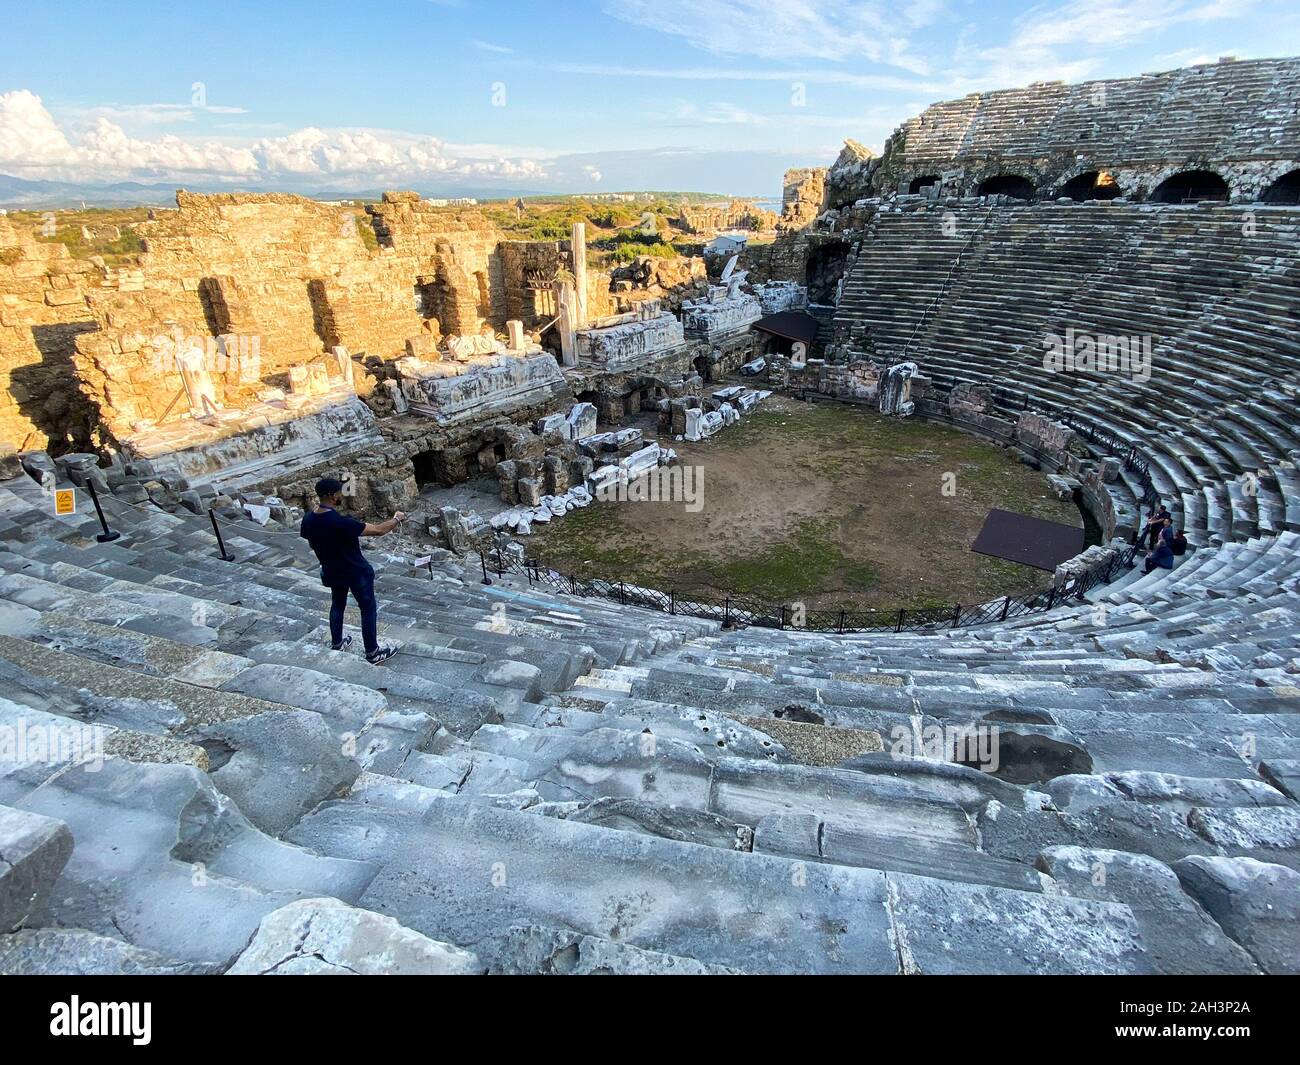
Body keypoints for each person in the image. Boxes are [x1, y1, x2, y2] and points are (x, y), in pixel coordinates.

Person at [300, 477, 405, 665]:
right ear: (332, 496)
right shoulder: (341, 522)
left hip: (331, 570)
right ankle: (373, 652)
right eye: (339, 492)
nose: (342, 495)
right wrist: (397, 518)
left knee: (337, 604)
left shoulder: (308, 519)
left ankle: (337, 643)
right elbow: (379, 530)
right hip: (356, 572)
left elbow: (311, 544)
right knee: (367, 608)